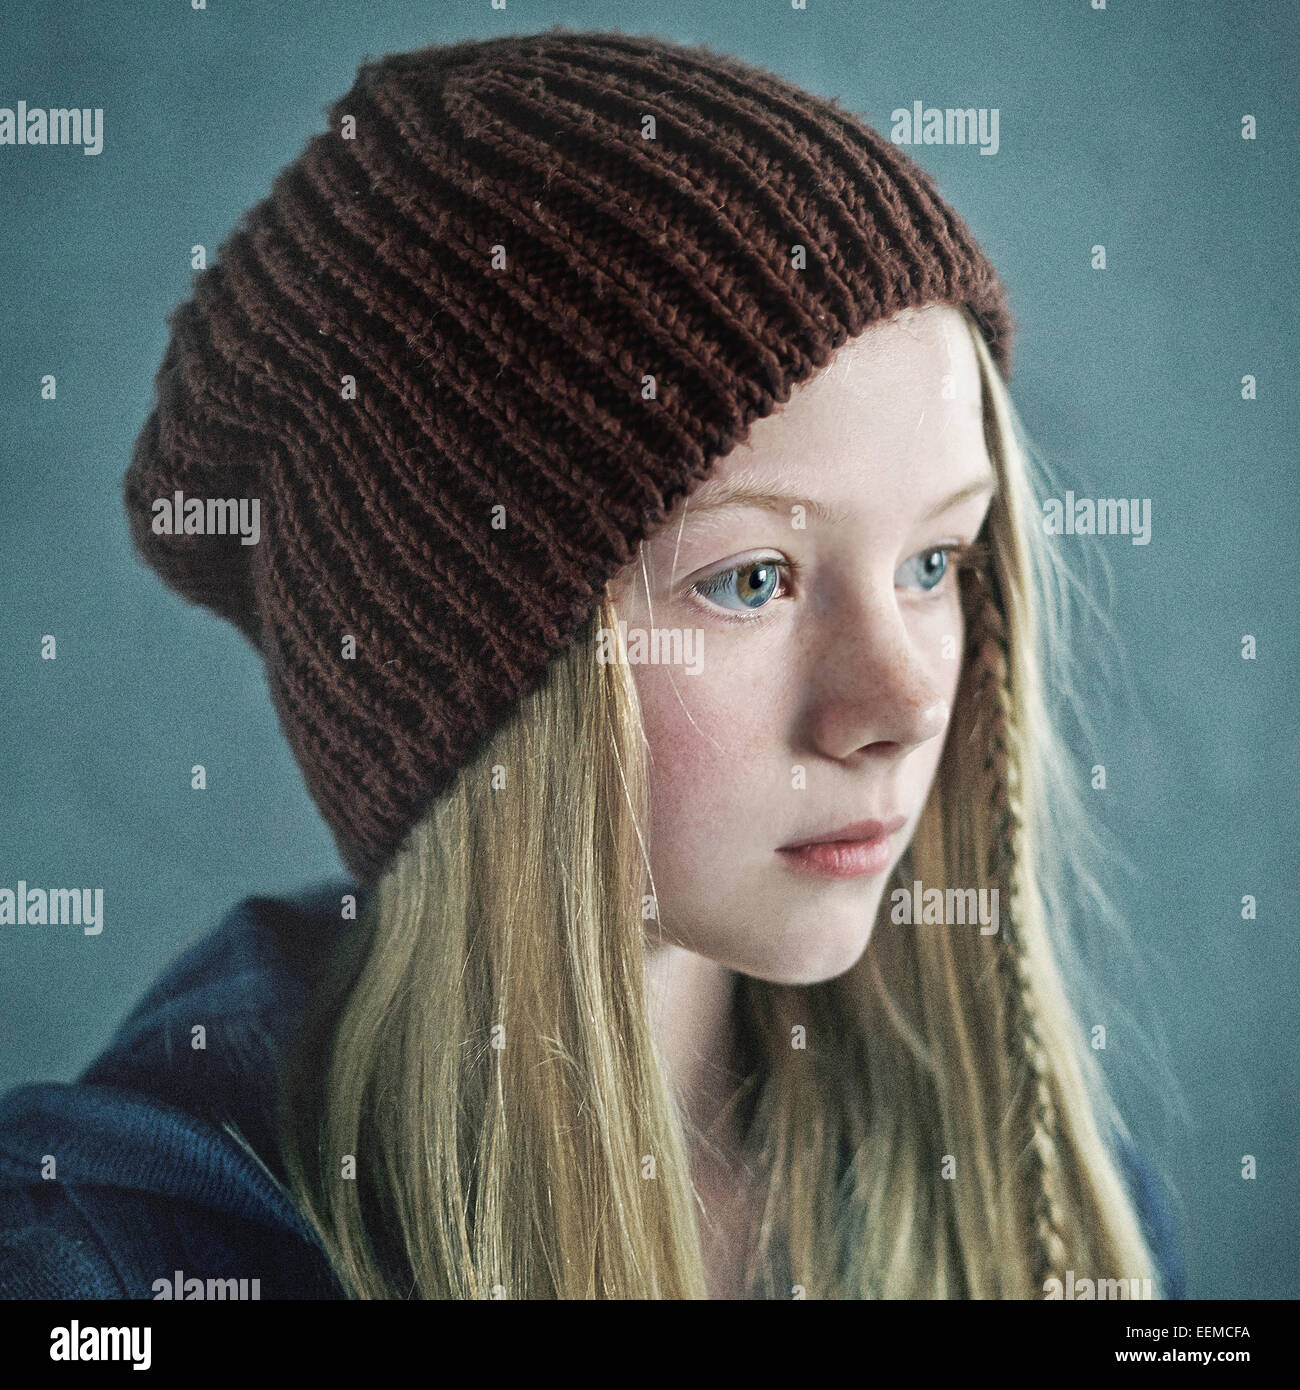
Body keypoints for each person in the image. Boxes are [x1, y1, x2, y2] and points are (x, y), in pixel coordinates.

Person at [0, 29, 1183, 1300]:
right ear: (472, 686)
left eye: (936, 562)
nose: (900, 706)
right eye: (750, 581)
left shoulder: (1043, 1198)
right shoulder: (113, 1268)